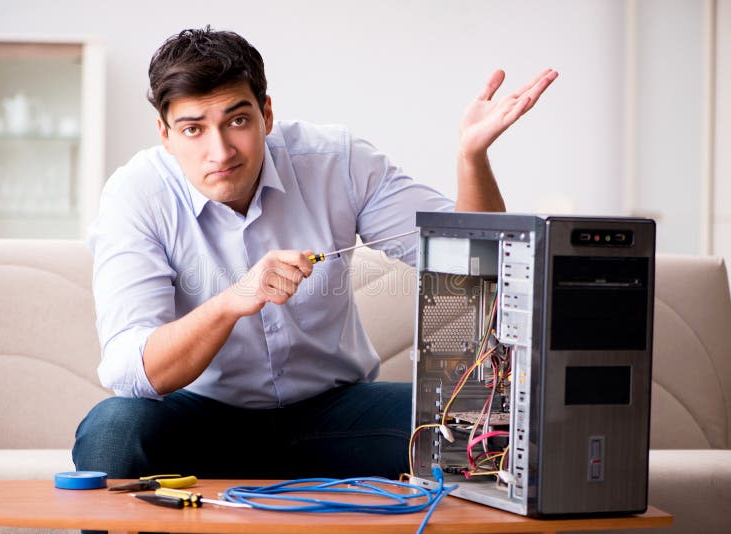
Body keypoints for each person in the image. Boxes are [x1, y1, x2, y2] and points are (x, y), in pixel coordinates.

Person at [72, 27, 556, 481]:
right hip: (200, 418)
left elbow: (477, 265)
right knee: (114, 429)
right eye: (193, 129)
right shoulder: (136, 195)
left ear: (266, 114)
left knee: (484, 425)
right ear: (165, 133)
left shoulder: (335, 161)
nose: (220, 151)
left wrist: (472, 158)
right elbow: (131, 371)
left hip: (334, 415)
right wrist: (230, 301)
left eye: (237, 120)